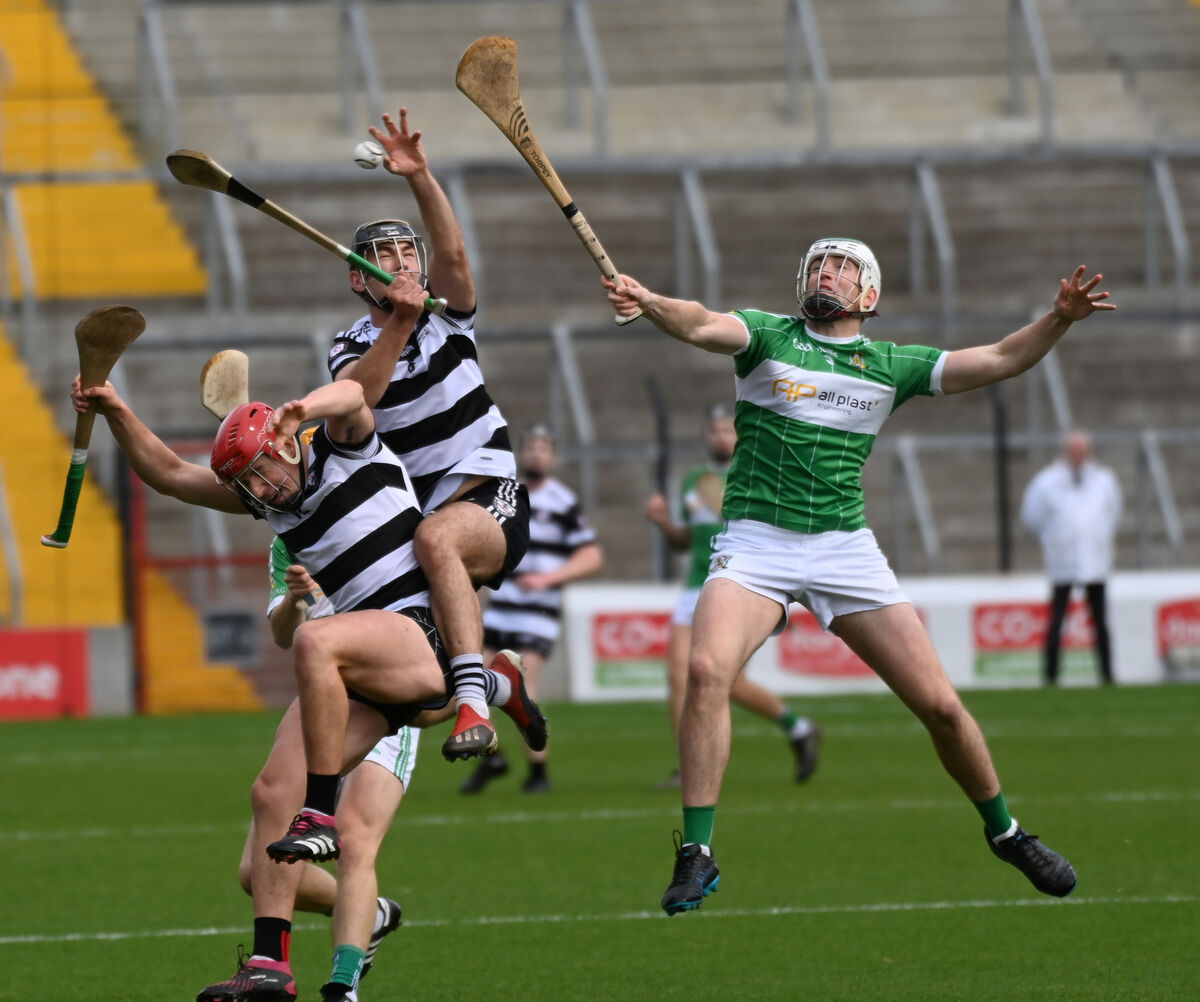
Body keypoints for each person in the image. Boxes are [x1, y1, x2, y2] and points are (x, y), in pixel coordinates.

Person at [603, 238, 1115, 914]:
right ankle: (696, 851)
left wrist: (1058, 320)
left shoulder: (891, 364)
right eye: (817, 264)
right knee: (704, 672)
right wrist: (650, 301)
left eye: (843, 269)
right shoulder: (766, 336)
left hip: (844, 548)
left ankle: (1008, 833)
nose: (826, 274)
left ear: (869, 298)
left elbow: (998, 359)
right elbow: (699, 322)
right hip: (757, 541)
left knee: (939, 706)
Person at [70, 375, 545, 1002]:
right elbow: (166, 473)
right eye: (249, 485)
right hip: (364, 668)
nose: (261, 490)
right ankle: (270, 964)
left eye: (264, 471)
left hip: (419, 632)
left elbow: (353, 395)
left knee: (317, 642)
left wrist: (302, 409)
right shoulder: (269, 501)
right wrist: (115, 410)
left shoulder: (344, 447)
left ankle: (324, 807)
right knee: (269, 793)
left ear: (287, 444)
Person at [328, 107, 531, 764]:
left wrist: (419, 175)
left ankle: (477, 701)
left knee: (437, 536)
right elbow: (361, 398)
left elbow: (455, 253)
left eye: (405, 251)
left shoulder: (451, 318)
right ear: (359, 279)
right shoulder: (348, 345)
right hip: (420, 512)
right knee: (425, 692)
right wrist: (398, 325)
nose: (401, 261)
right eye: (382, 256)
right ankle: (498, 684)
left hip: (485, 490)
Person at [645, 402, 820, 790]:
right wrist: (663, 524)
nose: (721, 437)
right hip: (695, 586)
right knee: (678, 676)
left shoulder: (759, 472)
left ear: (739, 434)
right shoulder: (693, 480)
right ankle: (685, 766)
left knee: (729, 682)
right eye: (714, 431)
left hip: (736, 586)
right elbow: (683, 542)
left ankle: (799, 728)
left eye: (727, 430)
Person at [460, 423, 605, 794]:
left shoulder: (562, 501)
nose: (537, 454)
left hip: (537, 613)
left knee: (525, 688)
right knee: (473, 679)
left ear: (553, 457)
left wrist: (549, 578)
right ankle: (494, 758)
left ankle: (538, 772)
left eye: (544, 448)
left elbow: (591, 555)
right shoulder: (507, 493)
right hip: (502, 607)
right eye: (532, 448)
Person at [1021, 429, 1122, 685]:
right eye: (1075, 450)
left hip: (1095, 560)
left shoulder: (1103, 480)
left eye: (1083, 451)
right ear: (1066, 452)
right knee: (1057, 620)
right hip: (1062, 560)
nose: (1079, 456)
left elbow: (1113, 514)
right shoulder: (1046, 482)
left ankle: (1107, 674)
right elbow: (1032, 516)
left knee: (1100, 621)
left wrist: (1096, 538)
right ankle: (1051, 675)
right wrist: (1054, 539)